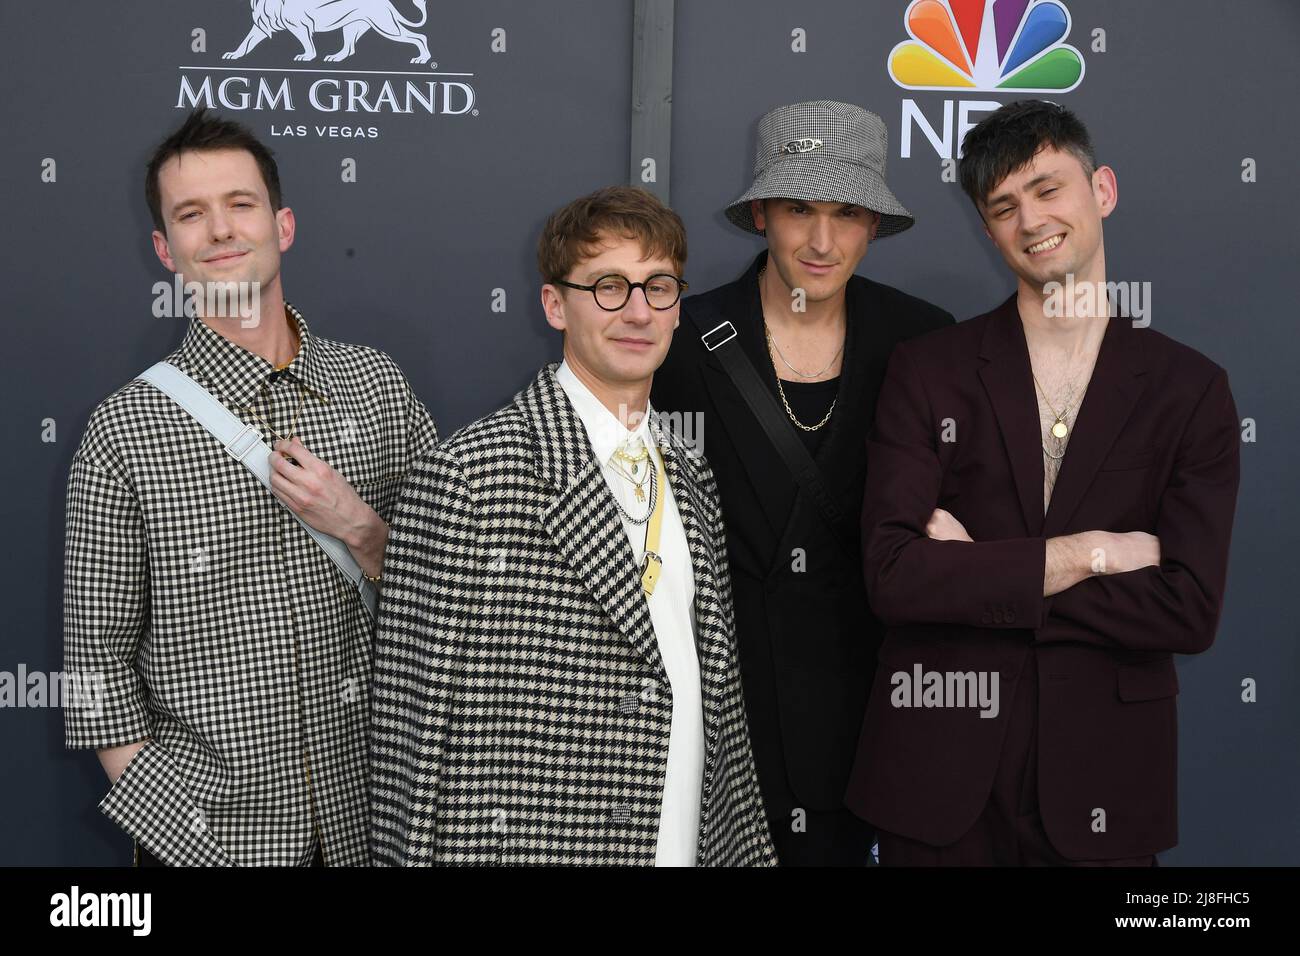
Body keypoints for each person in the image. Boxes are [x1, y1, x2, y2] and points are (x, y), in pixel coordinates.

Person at [847, 100, 1241, 865]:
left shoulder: (1189, 390)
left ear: (1103, 190)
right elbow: (894, 574)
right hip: (937, 783)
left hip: (1106, 783)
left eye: (1048, 189)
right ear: (988, 229)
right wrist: (1089, 552)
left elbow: (1189, 609)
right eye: (1004, 206)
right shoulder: (929, 371)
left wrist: (980, 572)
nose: (1031, 220)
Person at [62, 108, 438, 866]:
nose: (222, 230)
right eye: (192, 215)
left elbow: (460, 596)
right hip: (217, 837)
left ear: (284, 225)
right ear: (167, 250)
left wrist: (364, 531)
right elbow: (91, 671)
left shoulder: (374, 386)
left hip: (378, 825)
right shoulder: (125, 431)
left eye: (240, 204)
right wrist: (186, 839)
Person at [368, 186, 775, 865]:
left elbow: (718, 700)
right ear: (555, 304)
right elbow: (412, 724)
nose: (638, 311)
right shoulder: (467, 475)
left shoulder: (690, 468)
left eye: (659, 287)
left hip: (683, 838)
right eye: (608, 287)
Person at [651, 100, 953, 865]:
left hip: (876, 702)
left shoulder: (924, 340)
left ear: (875, 224)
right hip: (725, 708)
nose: (822, 241)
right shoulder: (677, 339)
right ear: (760, 214)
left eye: (847, 213)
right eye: (799, 210)